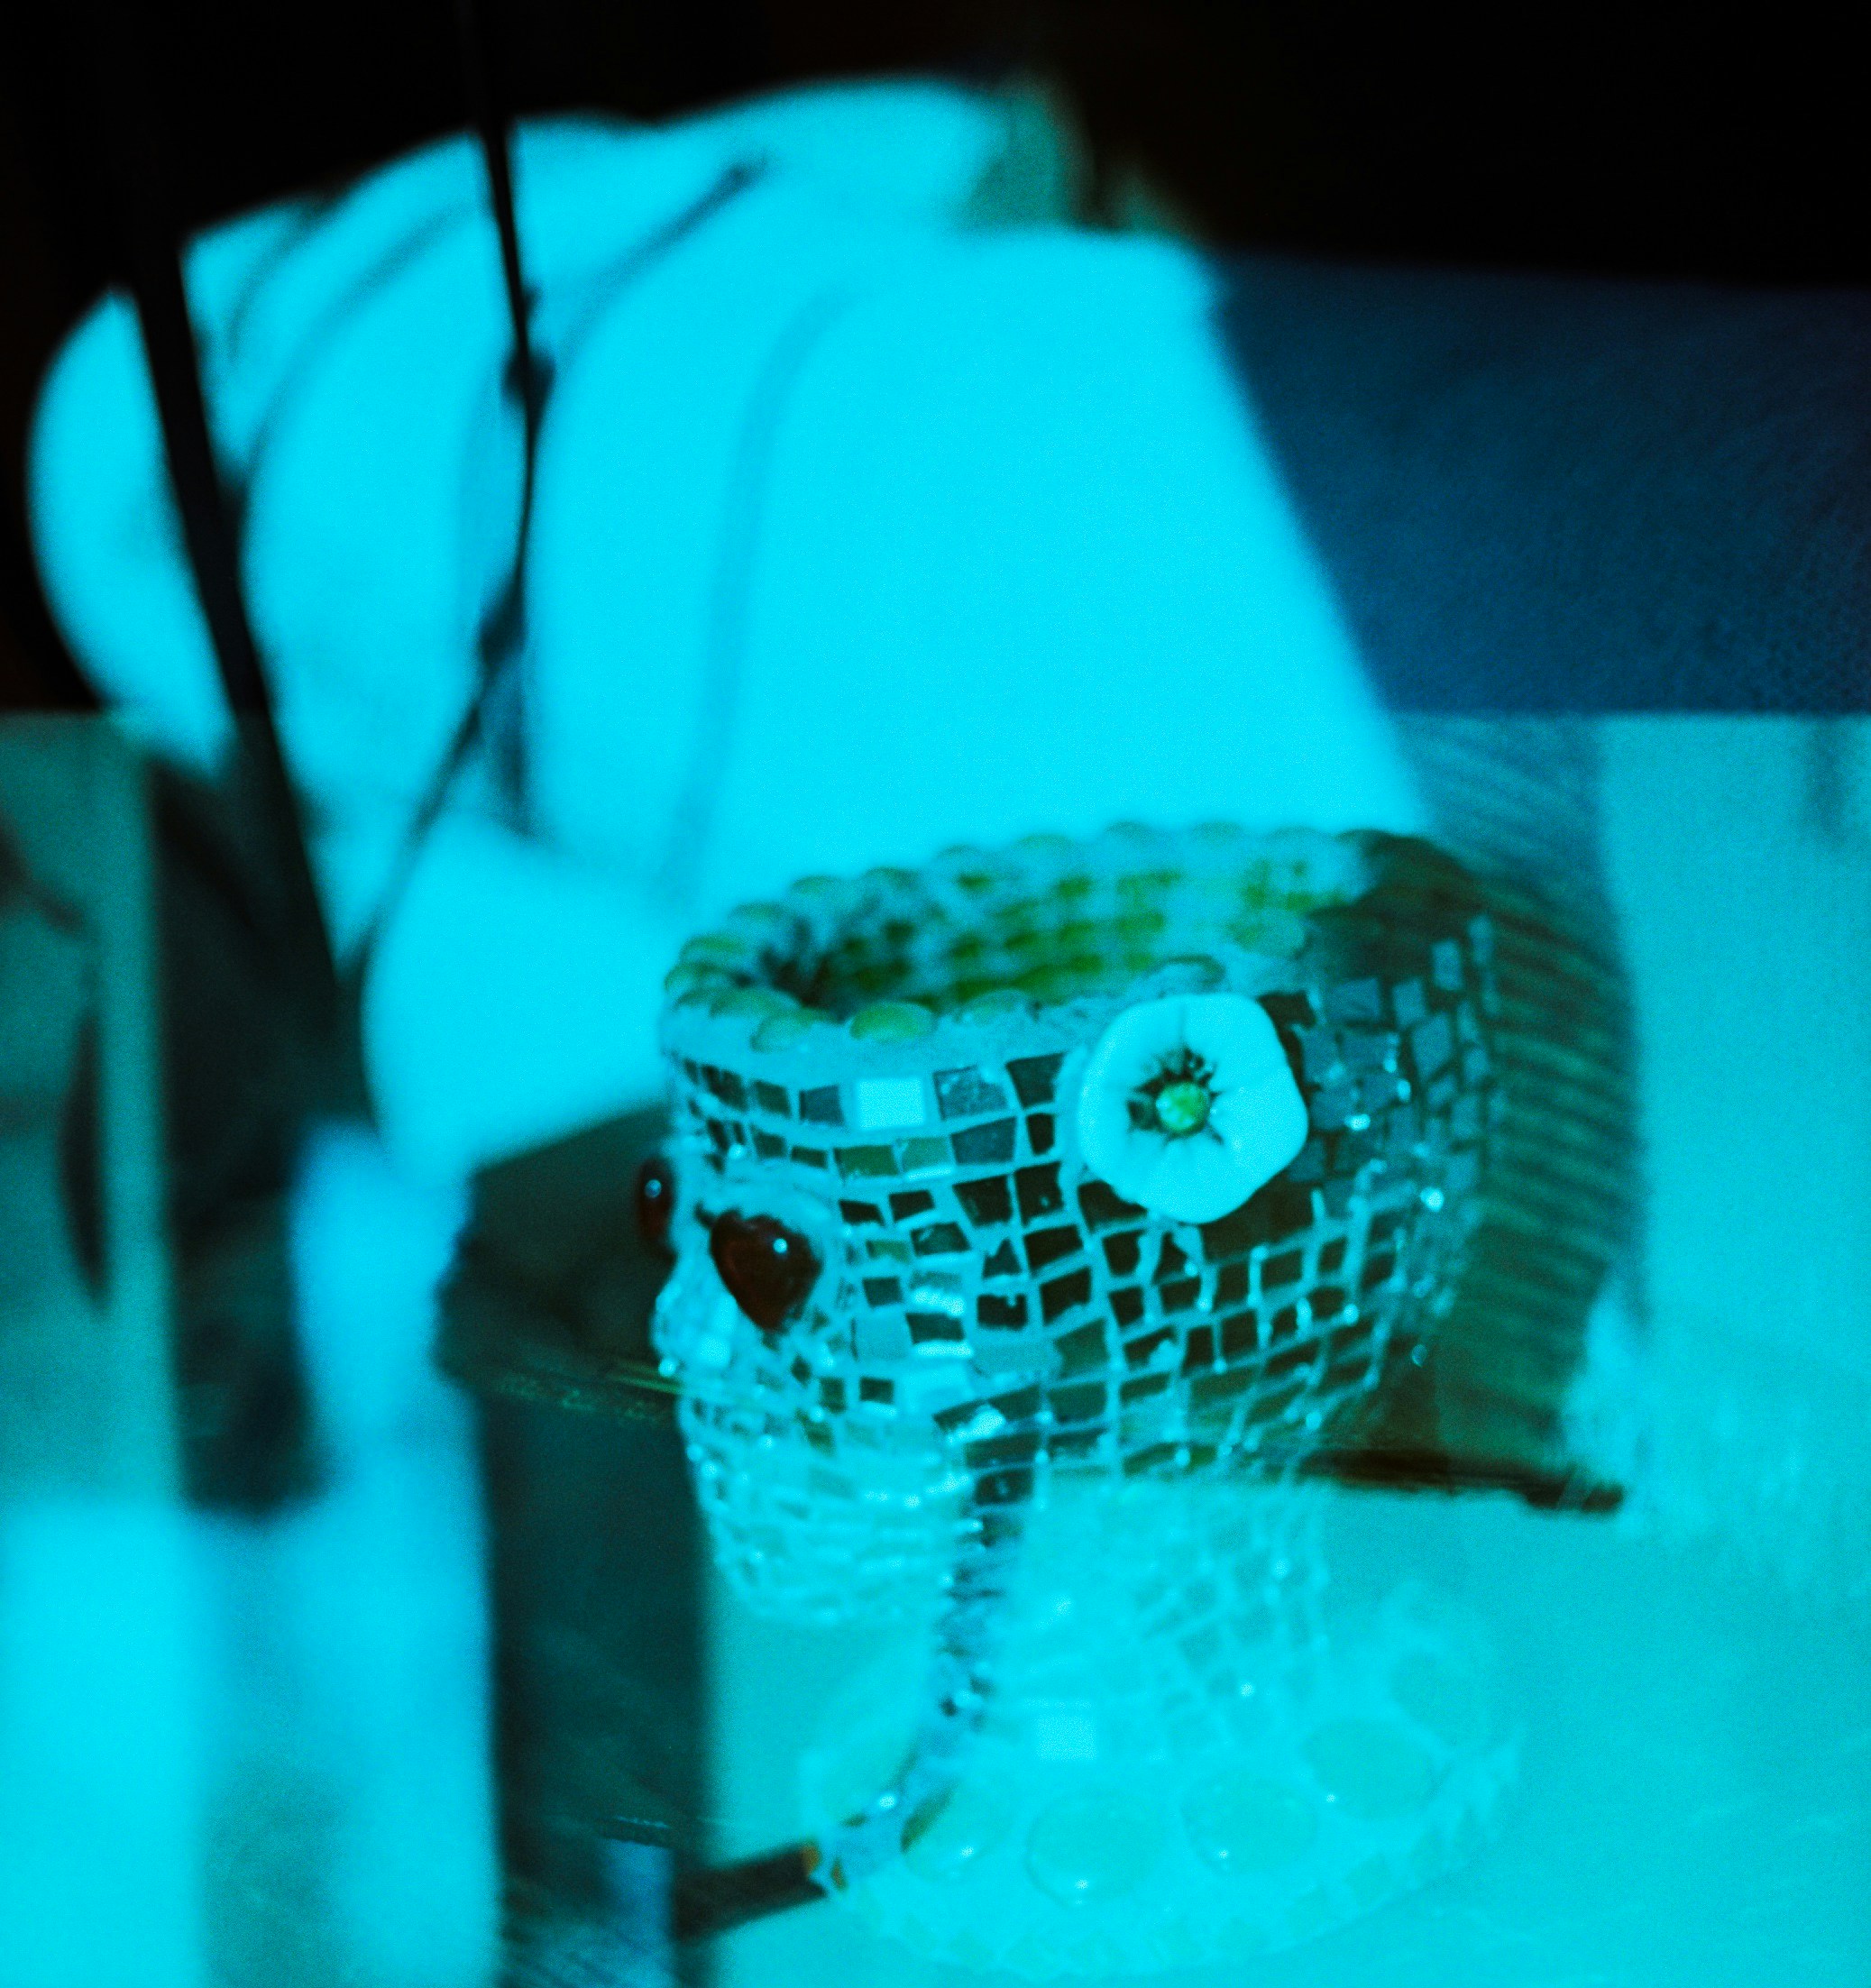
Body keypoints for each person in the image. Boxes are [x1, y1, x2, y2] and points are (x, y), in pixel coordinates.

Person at [28, 75, 1426, 1192]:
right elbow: (1010, 146)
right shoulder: (407, 977)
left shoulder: (130, 491)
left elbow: (1005, 143)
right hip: (1322, 599)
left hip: (1290, 594)